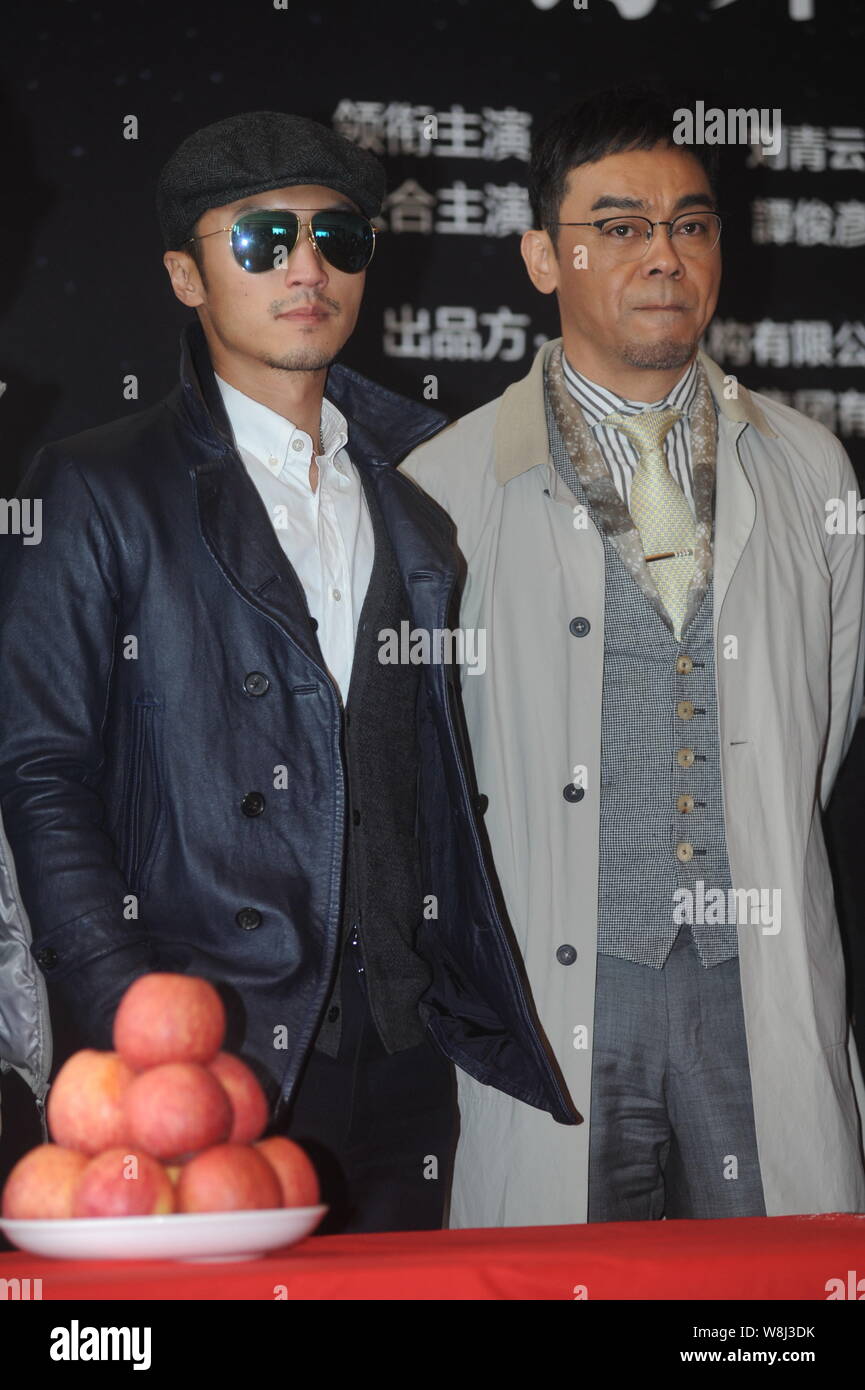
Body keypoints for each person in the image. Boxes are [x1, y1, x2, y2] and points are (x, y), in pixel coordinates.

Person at [0, 110, 575, 1234]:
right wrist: (131, 1025)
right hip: (200, 1057)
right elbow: (41, 771)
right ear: (184, 274)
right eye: (262, 241)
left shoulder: (417, 499)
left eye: (338, 239)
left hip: (401, 1056)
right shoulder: (98, 487)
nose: (307, 266)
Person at [401, 85, 865, 1225]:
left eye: (689, 225)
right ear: (542, 257)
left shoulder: (813, 470)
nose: (662, 255)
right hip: (563, 975)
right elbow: (429, 774)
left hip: (751, 980)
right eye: (618, 226)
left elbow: (822, 719)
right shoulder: (447, 487)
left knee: (773, 1309)